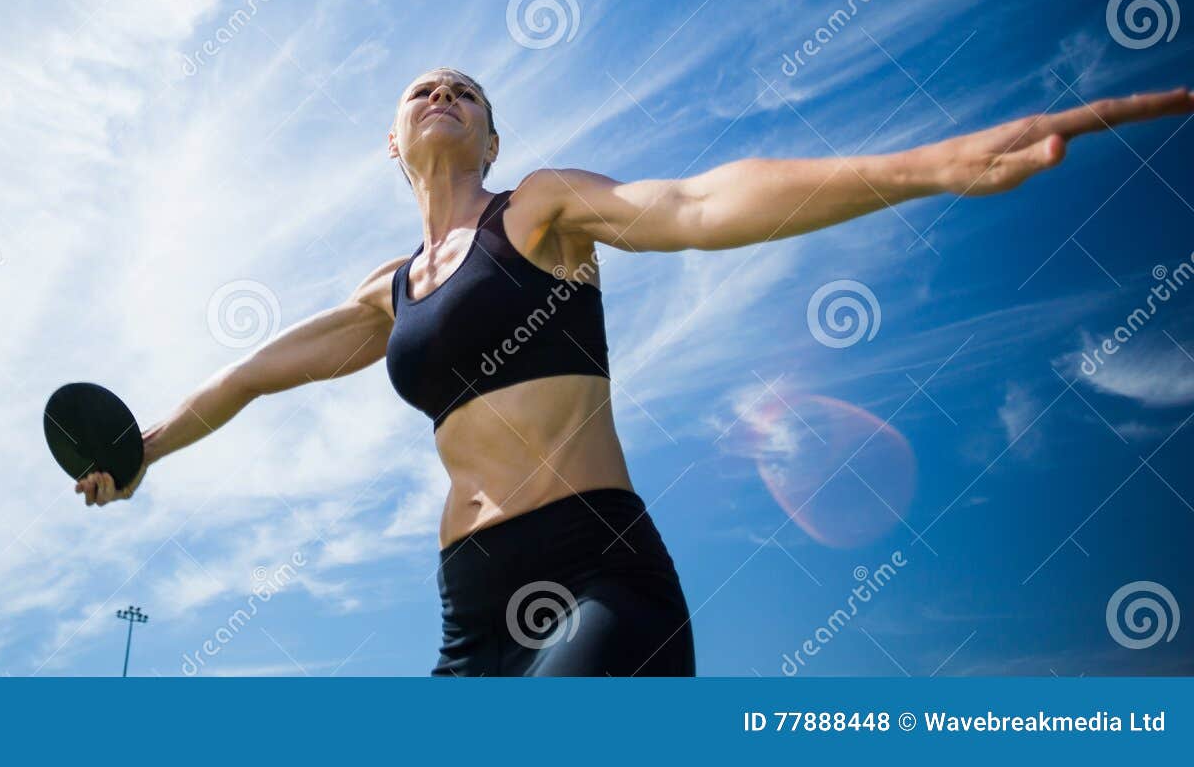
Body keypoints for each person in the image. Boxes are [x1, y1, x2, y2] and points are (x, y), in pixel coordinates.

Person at [75, 67, 1193, 675]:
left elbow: (704, 201)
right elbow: (246, 376)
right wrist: (142, 453)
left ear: (494, 139)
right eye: (421, 89)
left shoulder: (544, 208)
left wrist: (928, 165)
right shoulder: (389, 291)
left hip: (598, 567)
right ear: (390, 143)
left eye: (467, 90)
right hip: (469, 609)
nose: (443, 94)